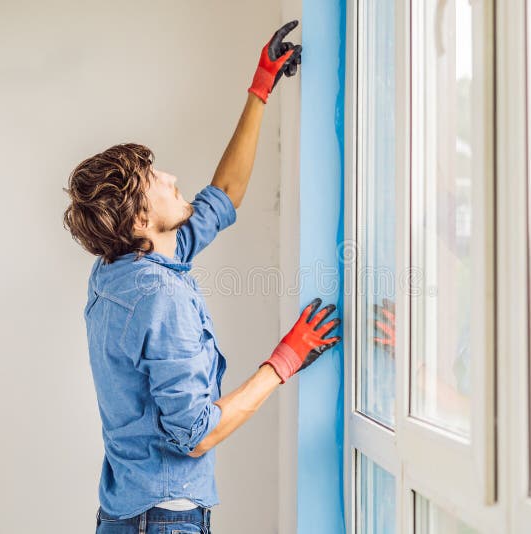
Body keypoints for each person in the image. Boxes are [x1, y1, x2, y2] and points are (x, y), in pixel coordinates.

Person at [62, 20, 341, 534]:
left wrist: (261, 88)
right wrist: (285, 360)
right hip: (163, 521)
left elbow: (224, 196)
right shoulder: (159, 297)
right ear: (140, 220)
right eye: (155, 181)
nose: (171, 178)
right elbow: (195, 434)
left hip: (130, 515)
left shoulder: (118, 268)